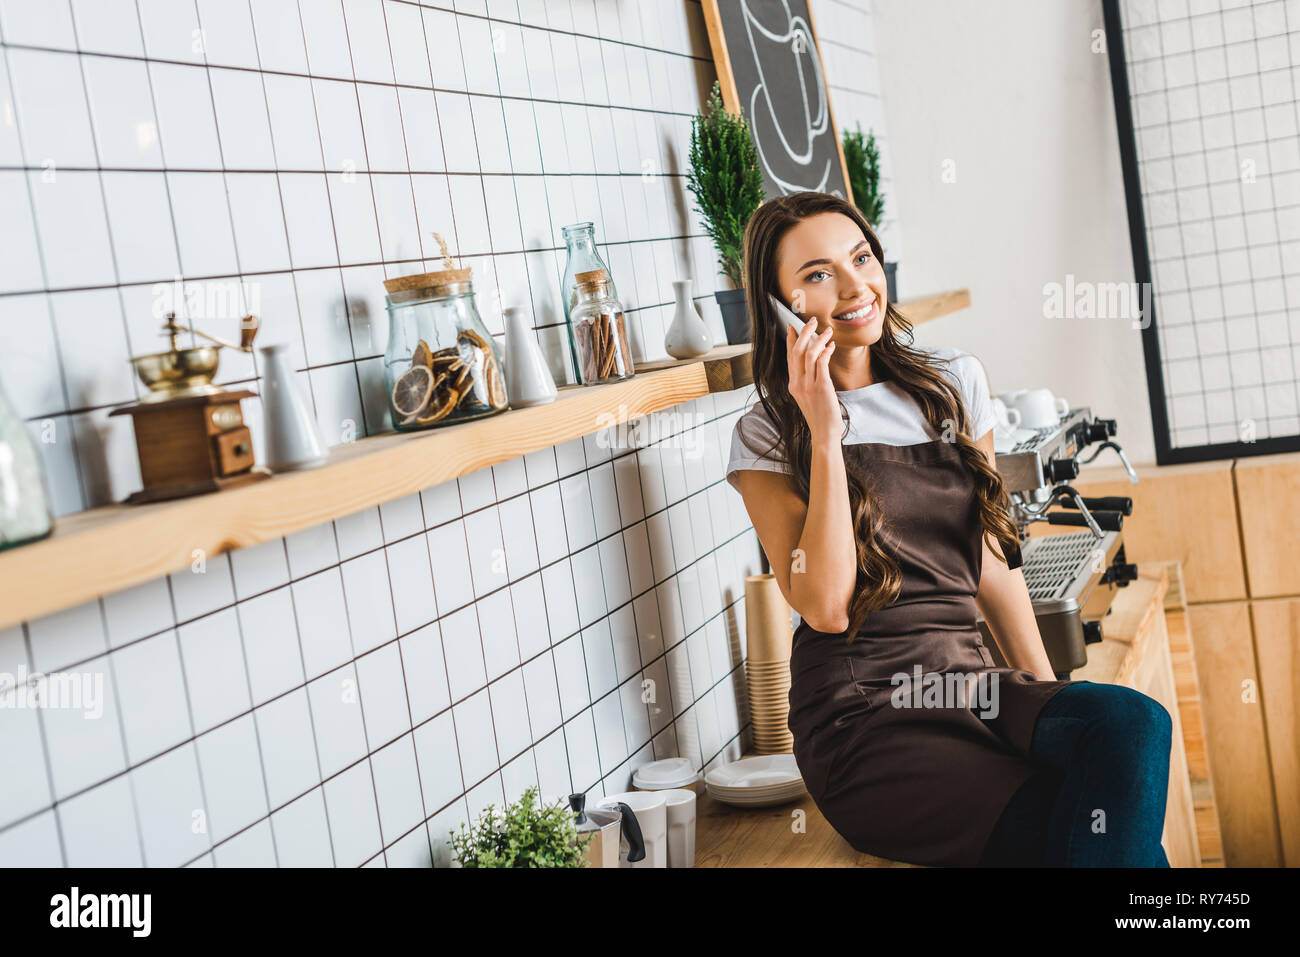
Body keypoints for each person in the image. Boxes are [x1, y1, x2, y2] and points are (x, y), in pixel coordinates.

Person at [725, 190, 1172, 867]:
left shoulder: (951, 384)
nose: (854, 285)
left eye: (861, 257)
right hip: (864, 715)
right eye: (817, 274)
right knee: (1086, 831)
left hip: (968, 680)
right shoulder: (766, 435)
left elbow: (991, 560)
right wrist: (823, 432)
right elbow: (824, 603)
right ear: (779, 304)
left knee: (1133, 727)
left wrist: (1054, 699)